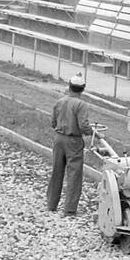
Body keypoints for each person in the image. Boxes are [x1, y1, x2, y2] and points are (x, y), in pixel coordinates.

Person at [47, 72, 93, 216]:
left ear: (69, 86)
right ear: (83, 89)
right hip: (73, 141)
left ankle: (51, 204)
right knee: (74, 174)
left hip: (59, 138)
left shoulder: (59, 102)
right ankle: (70, 209)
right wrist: (92, 133)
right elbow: (84, 125)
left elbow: (53, 122)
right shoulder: (81, 104)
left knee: (57, 171)